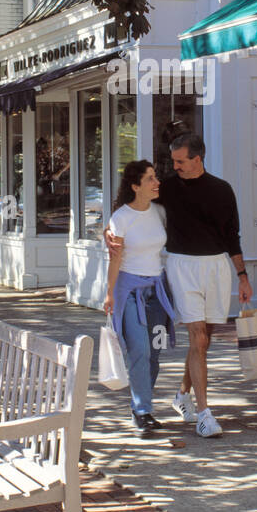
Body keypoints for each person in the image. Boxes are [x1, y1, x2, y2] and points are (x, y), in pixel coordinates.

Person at [106, 133, 251, 439]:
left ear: (197, 159)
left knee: (202, 341)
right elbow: (130, 207)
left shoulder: (222, 190)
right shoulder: (168, 189)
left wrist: (243, 276)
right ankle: (199, 413)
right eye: (172, 162)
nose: (174, 168)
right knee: (188, 338)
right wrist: (107, 232)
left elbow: (231, 235)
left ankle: (182, 394)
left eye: (180, 161)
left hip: (212, 268)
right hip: (178, 269)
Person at [104, 160, 177, 437]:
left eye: (155, 177)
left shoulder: (159, 212)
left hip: (157, 291)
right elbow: (115, 258)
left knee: (154, 352)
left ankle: (142, 408)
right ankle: (142, 411)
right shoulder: (121, 218)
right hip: (130, 291)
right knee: (140, 350)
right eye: (150, 179)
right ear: (135, 186)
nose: (156, 182)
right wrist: (109, 293)